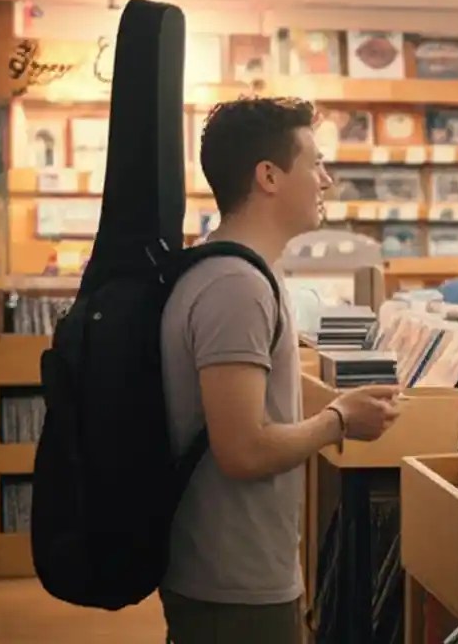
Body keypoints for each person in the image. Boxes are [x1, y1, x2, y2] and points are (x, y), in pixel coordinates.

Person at [160, 97, 399, 643]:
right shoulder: (235, 286)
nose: (327, 179)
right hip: (231, 580)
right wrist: (340, 420)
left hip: (235, 570)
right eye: (314, 162)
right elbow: (242, 449)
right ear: (268, 175)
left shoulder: (240, 272)